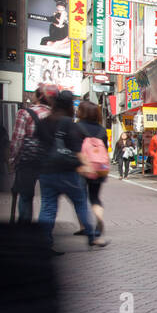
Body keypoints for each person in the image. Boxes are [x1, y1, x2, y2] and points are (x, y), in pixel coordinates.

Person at [35, 91, 107, 252]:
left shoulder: (43, 122)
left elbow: (37, 144)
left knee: (48, 207)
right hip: (67, 171)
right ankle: (92, 237)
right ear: (69, 106)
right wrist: (86, 165)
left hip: (46, 171)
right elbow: (76, 149)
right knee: (81, 203)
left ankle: (44, 243)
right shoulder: (68, 123)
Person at [8, 85, 54, 224]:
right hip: (49, 161)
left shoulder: (25, 113)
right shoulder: (56, 115)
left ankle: (25, 228)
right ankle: (45, 233)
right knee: (48, 199)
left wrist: (12, 160)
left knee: (26, 196)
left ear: (39, 96)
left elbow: (18, 140)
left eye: (34, 93)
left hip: (29, 160)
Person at [73, 101, 109, 238]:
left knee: (80, 198)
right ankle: (99, 219)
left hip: (82, 167)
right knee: (95, 197)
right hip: (100, 167)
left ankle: (84, 226)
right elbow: (105, 149)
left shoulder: (77, 127)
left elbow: (74, 148)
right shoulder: (102, 130)